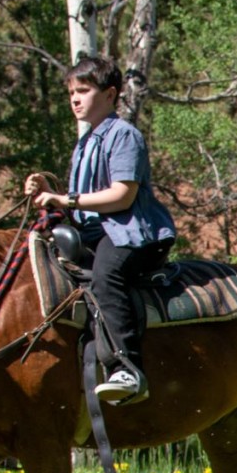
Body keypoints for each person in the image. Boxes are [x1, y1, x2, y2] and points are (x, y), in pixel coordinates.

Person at [35, 56, 177, 403]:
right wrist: (47, 189)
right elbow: (83, 198)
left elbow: (121, 196)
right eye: (71, 92)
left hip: (131, 233)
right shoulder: (86, 143)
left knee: (106, 275)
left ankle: (126, 369)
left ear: (110, 94)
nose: (75, 98)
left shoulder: (124, 135)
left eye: (83, 90)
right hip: (100, 232)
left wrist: (65, 200)